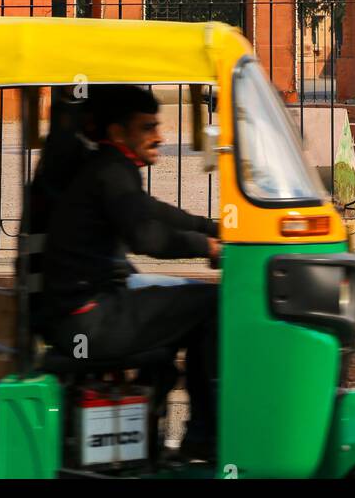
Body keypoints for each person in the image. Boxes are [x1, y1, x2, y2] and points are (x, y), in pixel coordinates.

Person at [40, 84, 220, 462]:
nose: (160, 137)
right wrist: (207, 247)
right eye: (148, 127)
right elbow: (147, 236)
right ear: (118, 132)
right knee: (212, 304)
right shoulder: (111, 172)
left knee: (188, 298)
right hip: (88, 320)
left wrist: (212, 227)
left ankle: (167, 403)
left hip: (88, 308)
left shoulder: (111, 168)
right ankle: (202, 435)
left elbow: (152, 210)